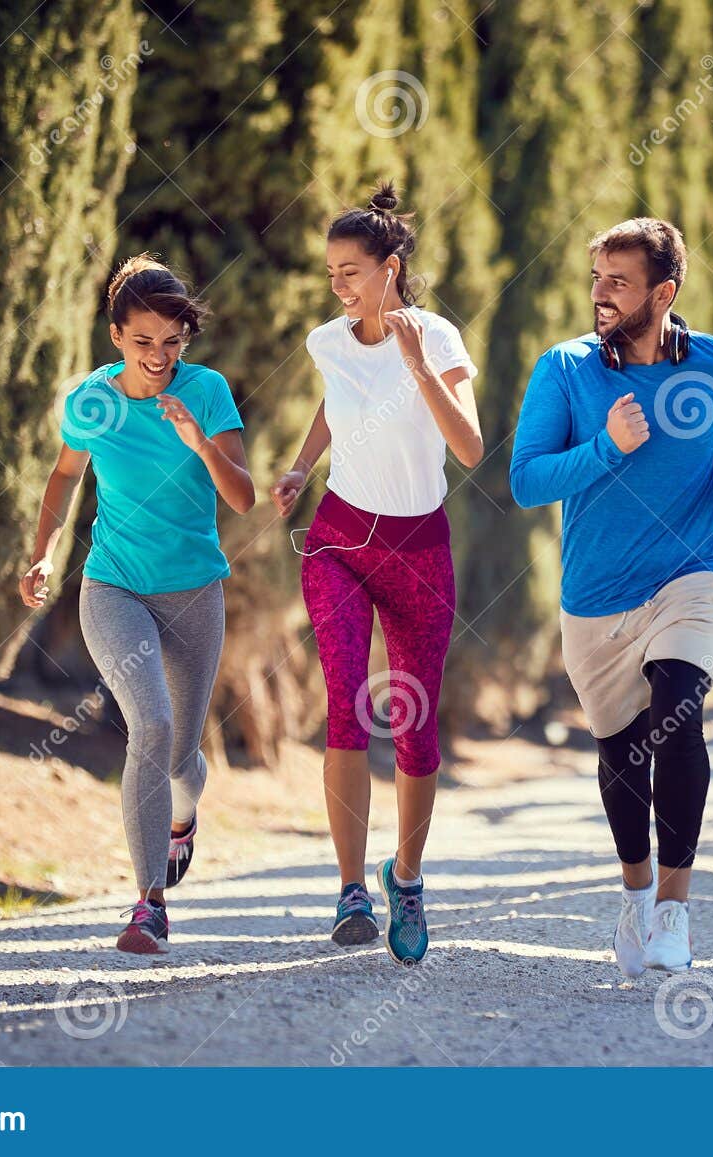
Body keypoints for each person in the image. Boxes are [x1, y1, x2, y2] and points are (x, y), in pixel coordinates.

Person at [509, 218, 713, 975]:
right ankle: (633, 895)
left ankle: (673, 910)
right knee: (624, 758)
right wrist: (605, 447)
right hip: (595, 597)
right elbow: (526, 480)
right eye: (596, 277)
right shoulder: (564, 370)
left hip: (689, 576)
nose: (600, 293)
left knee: (678, 717)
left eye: (618, 281)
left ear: (662, 293)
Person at [272, 180, 483, 966]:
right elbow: (334, 403)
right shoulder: (327, 342)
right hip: (336, 542)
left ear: (390, 266)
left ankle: (409, 875)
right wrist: (300, 468)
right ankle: (350, 888)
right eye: (331, 271)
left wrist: (418, 364)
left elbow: (469, 448)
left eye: (350, 269)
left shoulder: (440, 337)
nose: (338, 283)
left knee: (415, 719)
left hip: (417, 549)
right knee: (344, 704)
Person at [20, 254, 254, 955]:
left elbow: (242, 496)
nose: (159, 356)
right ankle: (149, 902)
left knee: (182, 751)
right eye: (144, 340)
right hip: (112, 583)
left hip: (194, 590)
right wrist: (44, 551)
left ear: (187, 340)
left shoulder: (207, 392)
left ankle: (184, 812)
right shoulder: (89, 400)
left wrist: (199, 443)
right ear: (116, 333)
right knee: (148, 723)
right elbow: (64, 478)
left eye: (172, 342)